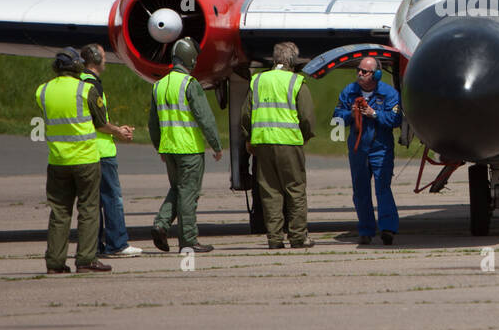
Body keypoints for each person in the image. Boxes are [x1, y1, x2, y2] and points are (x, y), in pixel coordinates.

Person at [35, 47, 112, 274]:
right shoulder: (86, 90)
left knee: (59, 211)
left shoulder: (43, 91)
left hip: (57, 160)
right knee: (88, 210)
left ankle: (55, 263)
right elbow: (100, 122)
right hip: (86, 159)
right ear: (76, 65)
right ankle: (86, 259)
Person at [148, 37, 223, 253]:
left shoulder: (159, 86)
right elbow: (205, 118)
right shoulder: (190, 85)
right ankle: (189, 240)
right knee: (189, 194)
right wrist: (216, 145)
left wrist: (159, 147)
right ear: (190, 59)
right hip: (189, 150)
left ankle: (161, 225)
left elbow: (153, 123)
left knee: (178, 189)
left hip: (169, 149)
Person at [241, 42, 316, 249]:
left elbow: (246, 114)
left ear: (274, 60)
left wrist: (249, 138)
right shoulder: (296, 82)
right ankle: (298, 236)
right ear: (293, 61)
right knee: (295, 189)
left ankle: (274, 238)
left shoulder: (257, 80)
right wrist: (305, 137)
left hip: (262, 142)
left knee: (270, 191)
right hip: (289, 143)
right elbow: (307, 117)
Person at [79, 44, 140, 258]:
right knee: (112, 199)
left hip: (85, 151)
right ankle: (117, 244)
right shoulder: (92, 86)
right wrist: (119, 131)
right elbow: (100, 122)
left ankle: (94, 246)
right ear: (95, 59)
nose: (106, 60)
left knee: (92, 202)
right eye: (103, 57)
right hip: (102, 151)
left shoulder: (79, 84)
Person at [333, 57, 402, 245]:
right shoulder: (349, 92)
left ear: (377, 74)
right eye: (359, 70)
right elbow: (336, 120)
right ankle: (365, 230)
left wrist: (374, 114)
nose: (360, 74)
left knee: (382, 187)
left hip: (381, 149)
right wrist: (350, 113)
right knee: (360, 190)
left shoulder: (389, 93)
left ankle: (388, 228)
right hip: (358, 150)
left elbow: (395, 120)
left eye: (365, 71)